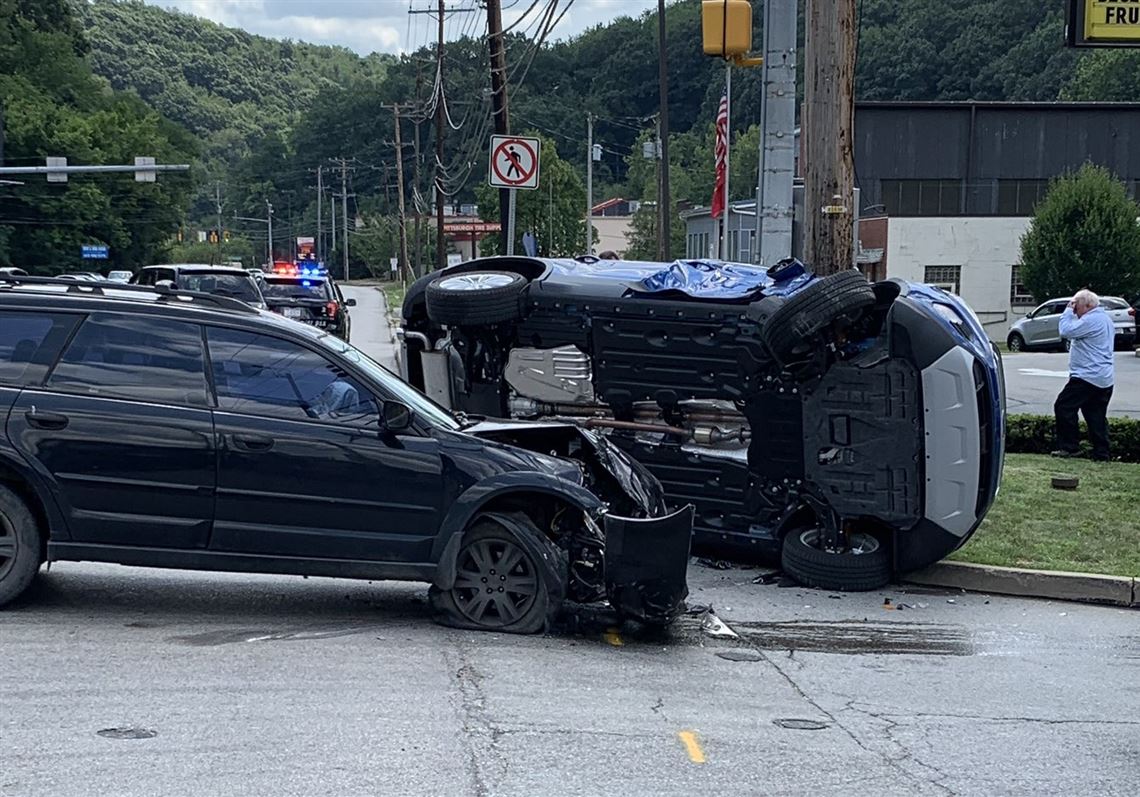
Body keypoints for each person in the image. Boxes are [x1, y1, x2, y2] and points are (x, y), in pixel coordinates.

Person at [1052, 288, 1115, 460]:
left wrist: (1066, 311)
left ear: (1087, 305)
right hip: (1103, 377)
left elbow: (1065, 331)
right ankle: (1102, 453)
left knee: (1063, 406)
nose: (1074, 309)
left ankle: (1070, 448)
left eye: (1076, 306)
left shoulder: (1091, 319)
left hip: (1087, 376)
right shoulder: (1105, 319)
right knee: (1096, 415)